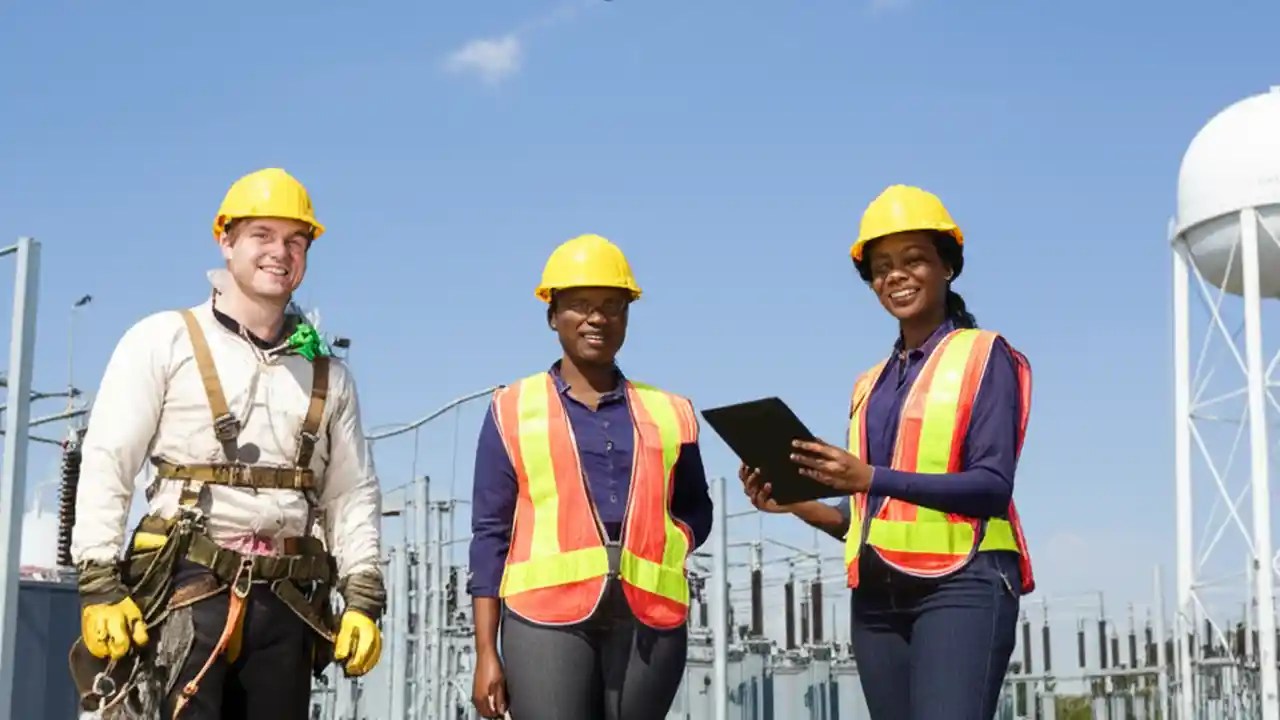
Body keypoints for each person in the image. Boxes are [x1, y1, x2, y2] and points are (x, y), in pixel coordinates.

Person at [68, 168, 387, 720]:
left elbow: (351, 494)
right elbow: (108, 463)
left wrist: (362, 599)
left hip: (286, 603)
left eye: (295, 240)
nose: (279, 253)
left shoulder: (328, 377)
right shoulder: (164, 340)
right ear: (227, 240)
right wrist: (98, 583)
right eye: (262, 235)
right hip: (184, 590)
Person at [740, 184, 1036, 720]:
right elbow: (864, 519)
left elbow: (993, 487)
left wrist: (870, 477)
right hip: (878, 599)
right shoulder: (869, 384)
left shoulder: (984, 354)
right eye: (881, 266)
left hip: (965, 584)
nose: (895, 275)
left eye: (913, 259)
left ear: (947, 266)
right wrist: (791, 503)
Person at [467, 233, 715, 720]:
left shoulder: (671, 411)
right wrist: (485, 651)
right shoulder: (513, 409)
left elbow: (695, 508)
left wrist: (668, 541)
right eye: (579, 305)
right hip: (544, 620)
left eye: (612, 305)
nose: (597, 318)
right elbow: (489, 534)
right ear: (552, 314)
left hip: (650, 617)